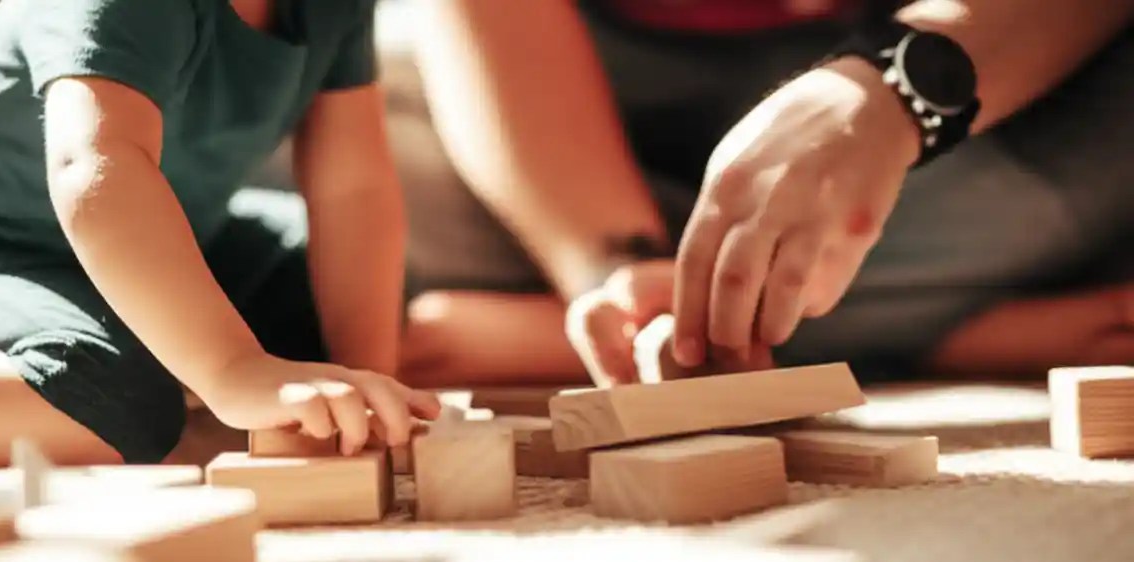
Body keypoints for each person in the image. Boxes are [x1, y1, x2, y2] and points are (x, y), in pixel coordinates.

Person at [396, 0, 1134, 388]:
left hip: (965, 77)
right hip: (587, 83)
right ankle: (952, 331)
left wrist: (892, 95)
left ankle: (547, 334)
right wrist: (615, 264)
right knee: (334, 129)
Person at [0, 0, 441, 469]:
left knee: (354, 288)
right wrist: (233, 368)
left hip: (165, 232)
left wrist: (369, 379)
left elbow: (352, 187)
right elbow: (97, 165)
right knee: (119, 394)